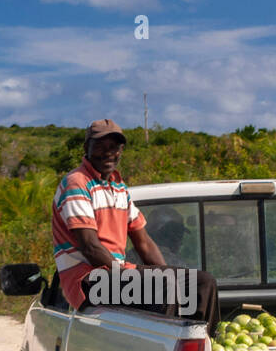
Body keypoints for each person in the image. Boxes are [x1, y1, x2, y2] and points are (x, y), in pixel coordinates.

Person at [51, 119, 219, 331]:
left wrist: (168, 272)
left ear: (121, 151)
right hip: (87, 280)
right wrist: (132, 275)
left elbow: (145, 244)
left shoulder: (119, 188)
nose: (109, 153)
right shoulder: (77, 183)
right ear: (86, 148)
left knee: (202, 283)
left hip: (114, 275)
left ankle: (201, 348)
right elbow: (90, 246)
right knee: (161, 285)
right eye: (101, 146)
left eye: (114, 147)